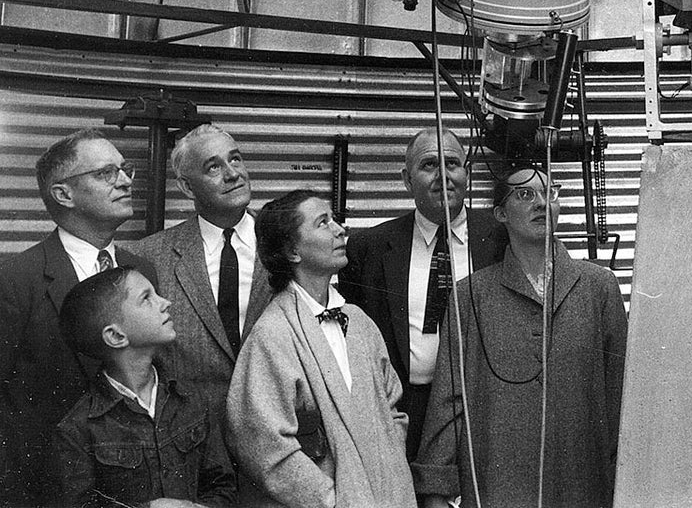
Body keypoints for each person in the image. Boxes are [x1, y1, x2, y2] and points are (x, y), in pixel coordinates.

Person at [413, 166, 627, 508]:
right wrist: (435, 489)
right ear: (500, 213)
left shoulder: (598, 287)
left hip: (584, 484)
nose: (542, 203)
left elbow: (622, 398)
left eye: (550, 193)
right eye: (525, 195)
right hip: (499, 486)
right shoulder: (470, 297)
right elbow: (450, 400)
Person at [226, 190, 417, 508]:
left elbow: (393, 410)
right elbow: (261, 442)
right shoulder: (272, 335)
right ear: (292, 251)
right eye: (322, 222)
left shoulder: (359, 321)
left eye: (335, 219)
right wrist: (330, 499)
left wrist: (390, 468)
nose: (340, 229)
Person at [0, 129, 156, 507]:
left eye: (126, 169)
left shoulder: (142, 269)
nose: (125, 181)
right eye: (106, 173)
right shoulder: (16, 279)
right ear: (63, 194)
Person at [339, 128, 506, 459]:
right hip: (406, 410)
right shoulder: (367, 248)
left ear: (468, 174)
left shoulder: (503, 239)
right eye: (429, 165)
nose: (444, 176)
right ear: (406, 178)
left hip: (485, 409)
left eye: (453, 164)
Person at [54, 267, 236, 508]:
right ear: (116, 336)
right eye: (146, 298)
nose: (166, 302)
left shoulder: (192, 400)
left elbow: (223, 485)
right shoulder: (77, 428)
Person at [134, 124, 272, 414]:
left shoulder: (284, 241)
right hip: (193, 438)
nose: (233, 173)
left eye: (235, 159)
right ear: (186, 187)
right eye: (213, 167)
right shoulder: (150, 256)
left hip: (280, 429)